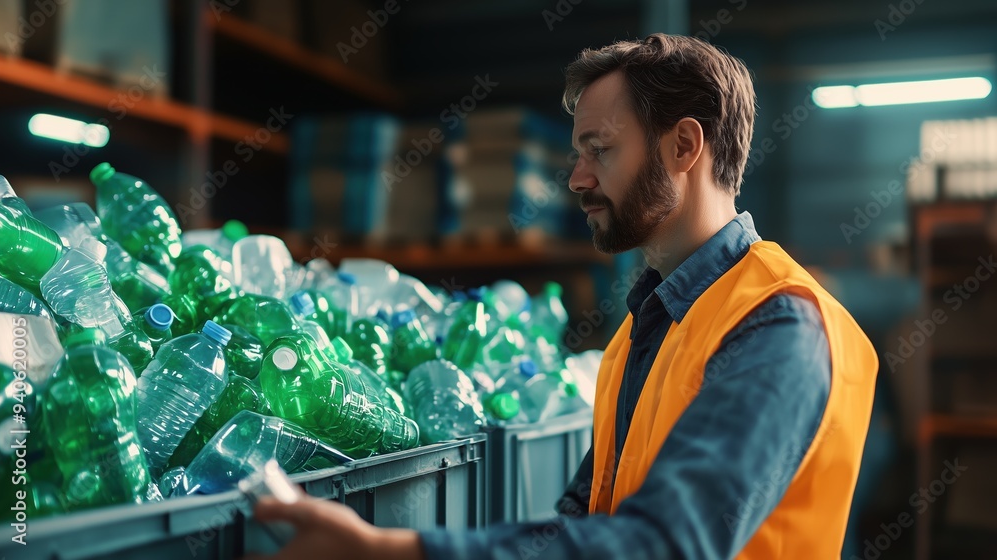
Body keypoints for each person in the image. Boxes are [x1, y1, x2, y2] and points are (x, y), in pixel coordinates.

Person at [245, 34, 878, 560]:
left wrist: (395, 552)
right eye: (579, 153)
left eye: (600, 150)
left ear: (684, 146)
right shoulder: (645, 328)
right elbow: (581, 518)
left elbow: (665, 543)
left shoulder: (777, 326)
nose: (577, 178)